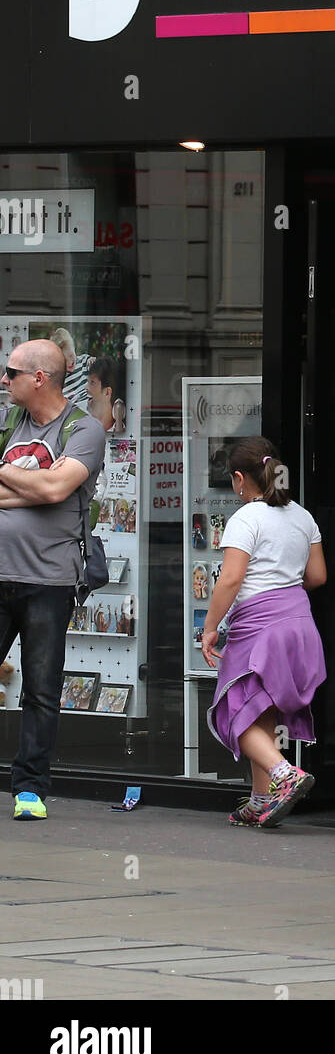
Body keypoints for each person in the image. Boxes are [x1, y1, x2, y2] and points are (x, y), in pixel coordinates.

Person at [0, 340, 106, 819]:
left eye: (11, 372)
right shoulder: (6, 425)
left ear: (39, 378)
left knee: (40, 690)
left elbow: (59, 487)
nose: (4, 380)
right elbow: (46, 490)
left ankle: (29, 790)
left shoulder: (83, 429)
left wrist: (25, 484)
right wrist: (39, 492)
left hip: (51, 580)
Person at [201, 436, 327, 829]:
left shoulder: (246, 518)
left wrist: (209, 629)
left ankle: (284, 774)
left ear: (240, 479)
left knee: (232, 708)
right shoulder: (302, 516)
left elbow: (231, 579)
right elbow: (318, 576)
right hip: (299, 623)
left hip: (260, 626)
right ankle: (259, 801)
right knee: (260, 708)